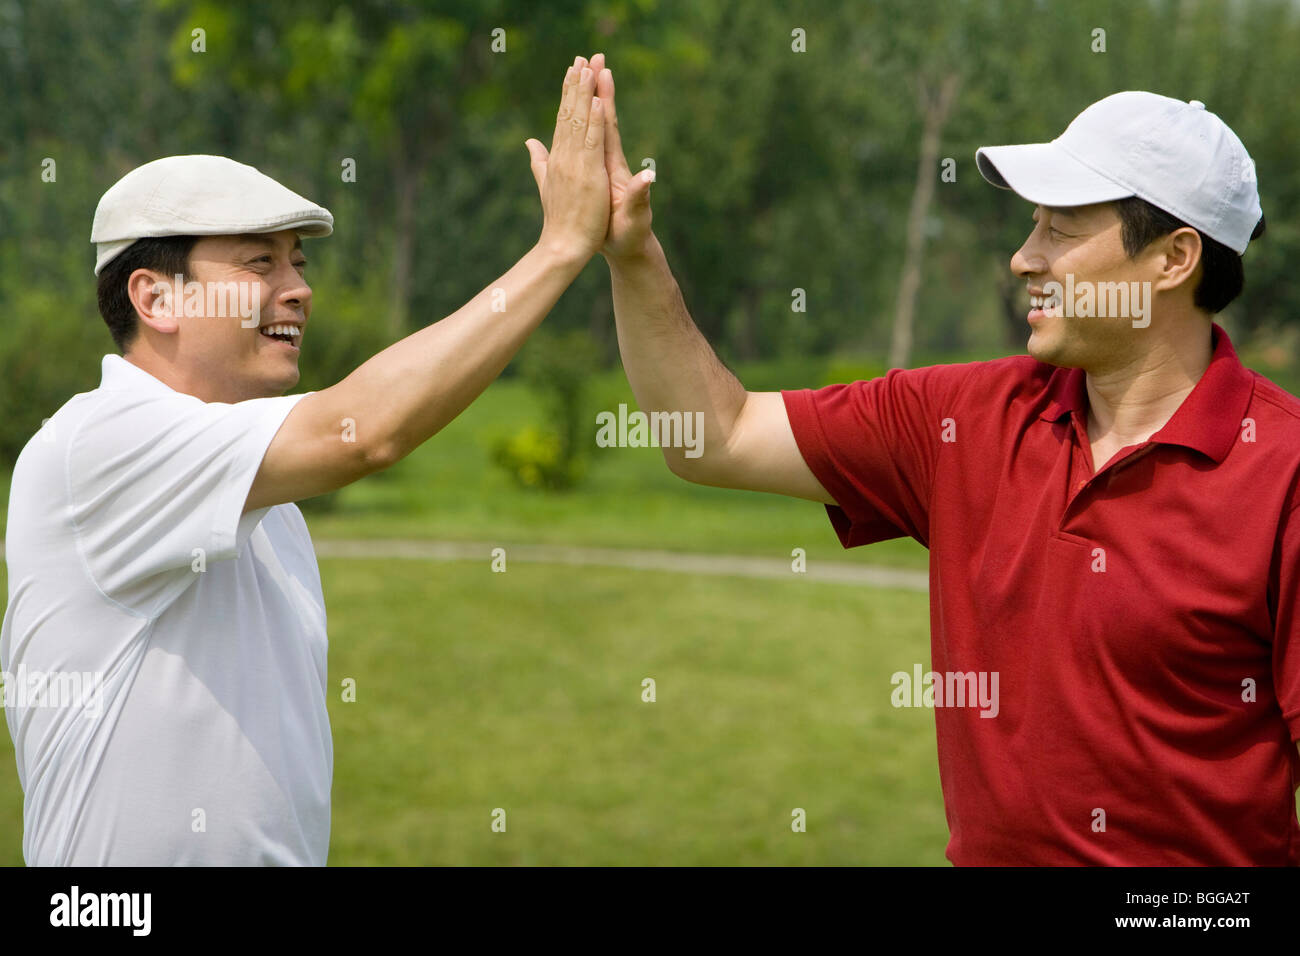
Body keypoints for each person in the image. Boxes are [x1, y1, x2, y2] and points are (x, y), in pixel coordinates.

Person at [597, 85, 1300, 864]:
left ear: (1174, 259)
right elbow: (715, 437)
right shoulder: (964, 418)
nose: (1024, 257)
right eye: (1033, 224)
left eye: (1061, 229)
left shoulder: (1286, 475)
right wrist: (634, 257)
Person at [1, 54, 612, 865]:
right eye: (260, 262)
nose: (298, 288)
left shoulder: (270, 501)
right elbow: (363, 432)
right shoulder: (102, 442)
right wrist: (561, 247)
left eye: (298, 261)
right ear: (155, 297)